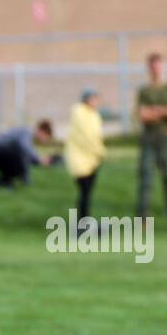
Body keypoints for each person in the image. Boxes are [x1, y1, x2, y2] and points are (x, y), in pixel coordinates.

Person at [135, 53, 167, 227]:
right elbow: (143, 115)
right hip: (149, 138)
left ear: (162, 67)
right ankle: (143, 220)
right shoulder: (144, 90)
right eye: (152, 65)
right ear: (149, 68)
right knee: (146, 178)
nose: (156, 68)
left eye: (158, 65)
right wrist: (166, 112)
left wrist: (156, 110)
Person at [66, 90, 106, 230]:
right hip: (82, 161)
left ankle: (85, 223)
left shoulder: (91, 114)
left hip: (90, 160)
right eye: (94, 98)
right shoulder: (81, 113)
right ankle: (82, 225)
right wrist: (100, 152)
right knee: (85, 193)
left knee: (86, 194)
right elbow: (87, 137)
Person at [0, 120, 56, 191]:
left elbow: (26, 155)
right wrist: (39, 160)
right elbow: (25, 149)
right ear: (43, 131)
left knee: (20, 159)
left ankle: (3, 182)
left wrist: (26, 178)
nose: (45, 140)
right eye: (46, 137)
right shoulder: (26, 132)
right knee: (19, 158)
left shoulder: (27, 135)